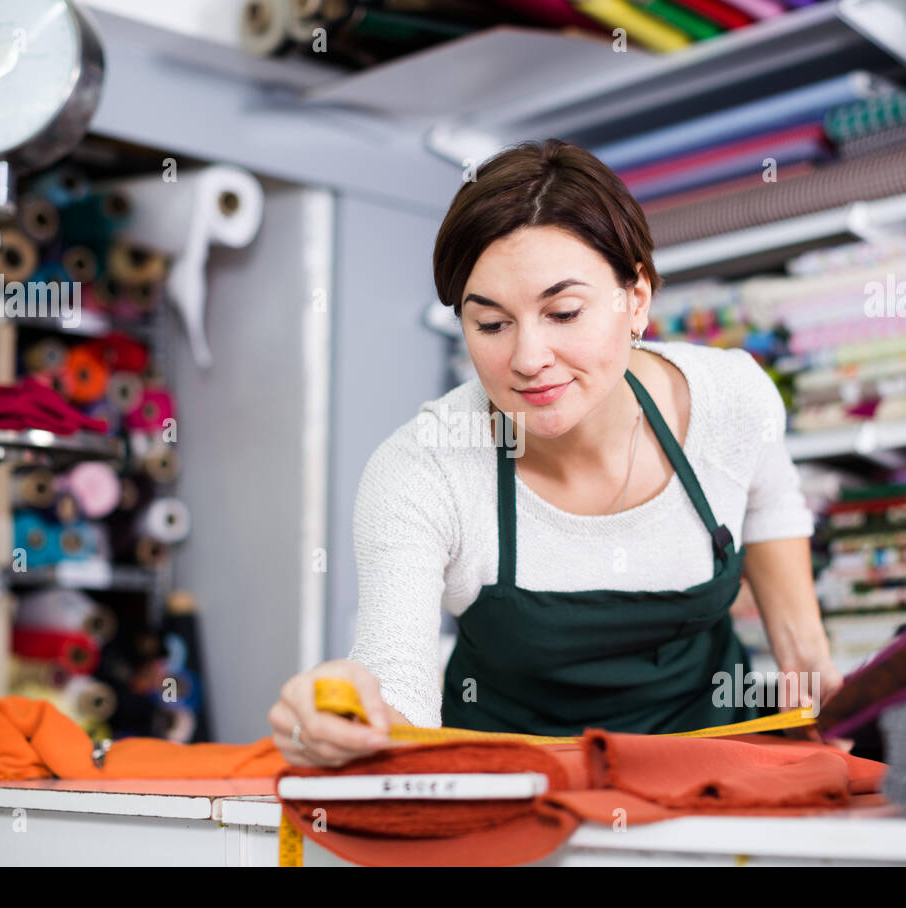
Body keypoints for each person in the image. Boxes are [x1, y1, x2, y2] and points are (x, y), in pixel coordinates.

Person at [270, 138, 847, 766]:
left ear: (637, 300)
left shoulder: (729, 402)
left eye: (564, 312)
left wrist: (816, 683)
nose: (527, 358)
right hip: (515, 792)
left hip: (712, 771)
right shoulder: (422, 470)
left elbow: (770, 514)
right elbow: (396, 683)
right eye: (491, 324)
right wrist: (351, 721)